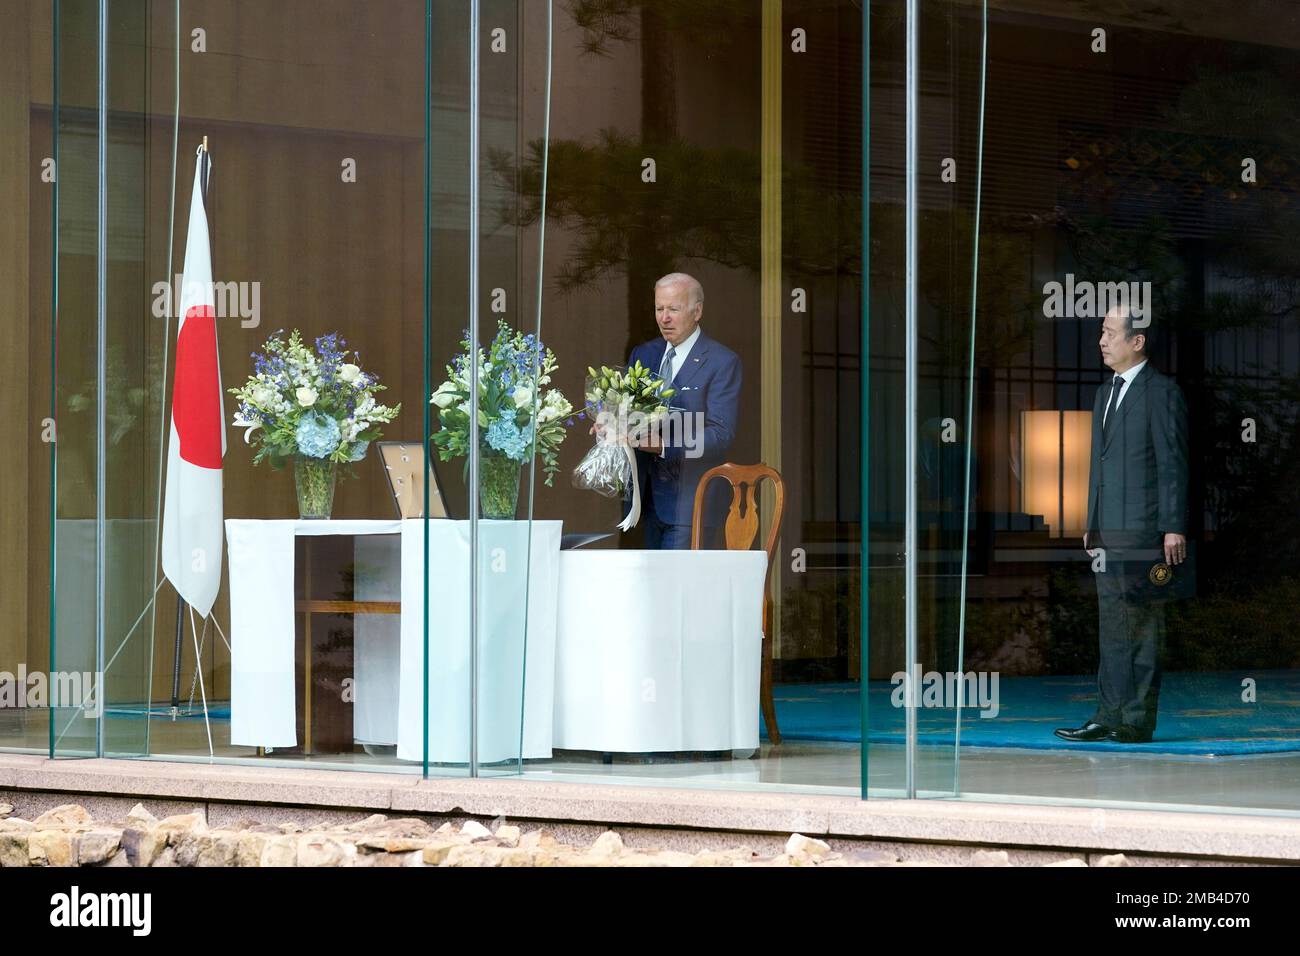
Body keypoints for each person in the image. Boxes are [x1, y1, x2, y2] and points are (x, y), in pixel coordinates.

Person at [1055, 304, 1188, 744]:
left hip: (1145, 531)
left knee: (1143, 626)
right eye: (1102, 331)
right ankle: (1106, 713)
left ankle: (1136, 720)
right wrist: (1091, 521)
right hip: (1108, 530)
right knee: (1112, 624)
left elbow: (1172, 463)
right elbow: (1100, 463)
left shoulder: (1161, 392)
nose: (1101, 340)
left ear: (1137, 341)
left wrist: (1173, 526)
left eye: (1110, 332)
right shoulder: (1104, 392)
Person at [622, 273, 741, 549]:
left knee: (675, 591)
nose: (664, 318)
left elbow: (720, 434)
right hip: (642, 502)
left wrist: (664, 445)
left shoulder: (722, 362)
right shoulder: (644, 354)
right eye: (659, 309)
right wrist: (610, 422)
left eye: (673, 309)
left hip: (691, 506)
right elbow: (627, 409)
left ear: (697, 311)